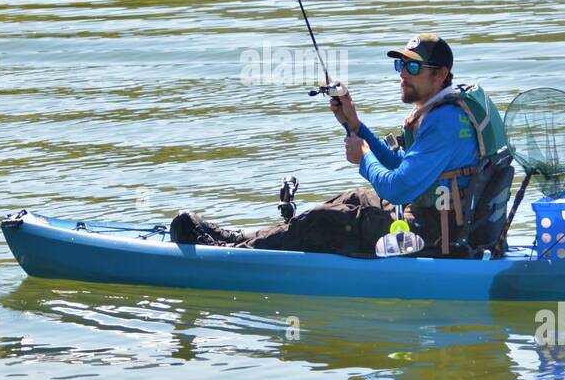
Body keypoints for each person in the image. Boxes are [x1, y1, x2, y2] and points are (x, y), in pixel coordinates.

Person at [169, 34, 511, 257]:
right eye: (400, 64)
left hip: (434, 237)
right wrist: (355, 124)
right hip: (439, 220)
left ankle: (225, 253)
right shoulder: (449, 112)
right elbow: (399, 165)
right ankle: (237, 242)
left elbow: (402, 187)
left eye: (412, 67)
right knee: (347, 200)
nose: (402, 74)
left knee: (323, 222)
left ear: (440, 75)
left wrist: (362, 158)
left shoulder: (444, 122)